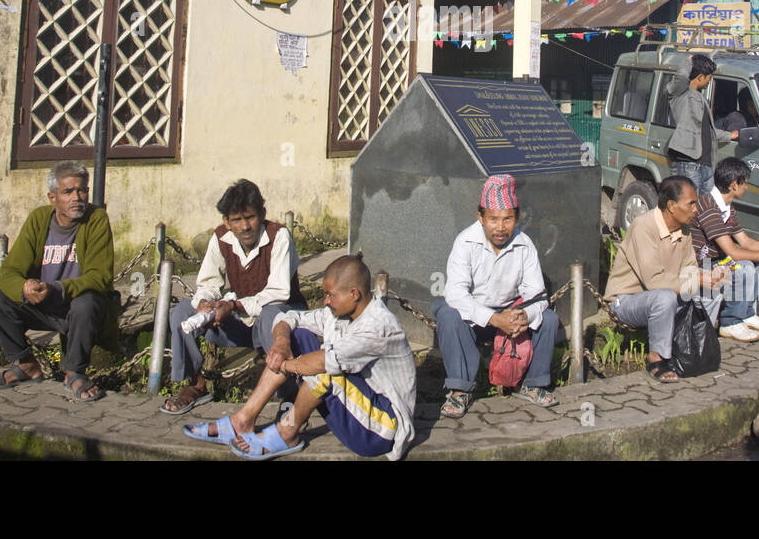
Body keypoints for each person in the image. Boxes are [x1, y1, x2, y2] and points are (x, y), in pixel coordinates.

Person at [183, 254, 416, 460]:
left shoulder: (378, 326)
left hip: (380, 429)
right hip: (359, 403)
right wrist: (282, 344)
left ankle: (287, 433)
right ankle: (243, 420)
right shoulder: (341, 313)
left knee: (323, 370)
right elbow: (289, 317)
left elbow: (324, 363)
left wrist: (284, 364)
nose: (325, 301)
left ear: (354, 294)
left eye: (329, 295)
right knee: (298, 335)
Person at [163, 179, 307, 414]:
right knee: (181, 312)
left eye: (249, 217)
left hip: (281, 318)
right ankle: (195, 384)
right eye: (236, 220)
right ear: (226, 222)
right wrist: (205, 304)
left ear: (262, 213)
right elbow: (209, 282)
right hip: (244, 319)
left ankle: (288, 393)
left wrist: (232, 304)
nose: (244, 227)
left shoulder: (279, 236)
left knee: (272, 312)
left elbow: (278, 293)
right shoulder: (221, 238)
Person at [0, 161, 114, 402]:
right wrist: (25, 288)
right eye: (68, 192)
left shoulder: (96, 219)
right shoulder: (39, 219)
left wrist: (57, 288)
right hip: (41, 305)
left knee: (86, 302)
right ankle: (25, 364)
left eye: (82, 190)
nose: (77, 197)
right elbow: (9, 272)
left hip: (75, 306)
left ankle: (74, 373)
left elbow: (100, 276)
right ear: (52, 198)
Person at [431, 174, 560, 418]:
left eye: (507, 219)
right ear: (480, 217)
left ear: (516, 217)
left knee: (549, 320)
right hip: (474, 316)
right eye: (493, 219)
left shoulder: (525, 244)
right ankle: (460, 390)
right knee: (448, 314)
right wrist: (493, 318)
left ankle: (533, 384)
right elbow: (456, 293)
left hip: (510, 315)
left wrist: (525, 314)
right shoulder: (465, 242)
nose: (500, 228)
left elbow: (538, 295)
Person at [603, 175, 726, 383]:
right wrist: (696, 281)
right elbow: (654, 281)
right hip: (628, 300)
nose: (696, 209)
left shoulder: (684, 229)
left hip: (664, 295)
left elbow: (689, 267)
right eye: (691, 204)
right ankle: (656, 359)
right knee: (665, 297)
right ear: (671, 206)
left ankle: (693, 346)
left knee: (712, 292)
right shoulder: (643, 226)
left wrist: (706, 277)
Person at [687, 157, 759, 342]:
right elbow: (733, 252)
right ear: (734, 185)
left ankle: (745, 314)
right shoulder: (709, 208)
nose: (747, 187)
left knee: (753, 264)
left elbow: (745, 242)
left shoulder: (727, 208)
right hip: (701, 265)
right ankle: (730, 322)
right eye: (745, 183)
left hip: (717, 261)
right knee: (744, 267)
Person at [667, 54, 738, 194]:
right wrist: (688, 61)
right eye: (709, 77)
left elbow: (707, 131)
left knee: (705, 209)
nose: (709, 81)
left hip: (706, 164)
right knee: (689, 207)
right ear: (700, 77)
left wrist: (729, 135)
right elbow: (681, 78)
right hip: (689, 163)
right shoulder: (681, 94)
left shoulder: (701, 97)